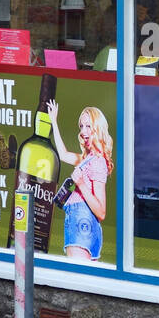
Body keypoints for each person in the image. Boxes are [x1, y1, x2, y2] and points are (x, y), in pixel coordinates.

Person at [46, 100, 114, 261]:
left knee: (76, 281)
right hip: (81, 225)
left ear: (98, 129)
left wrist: (81, 184)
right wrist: (54, 122)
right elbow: (62, 154)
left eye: (88, 126)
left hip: (82, 226)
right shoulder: (87, 158)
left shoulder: (97, 161)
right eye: (81, 126)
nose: (83, 131)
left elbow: (101, 211)